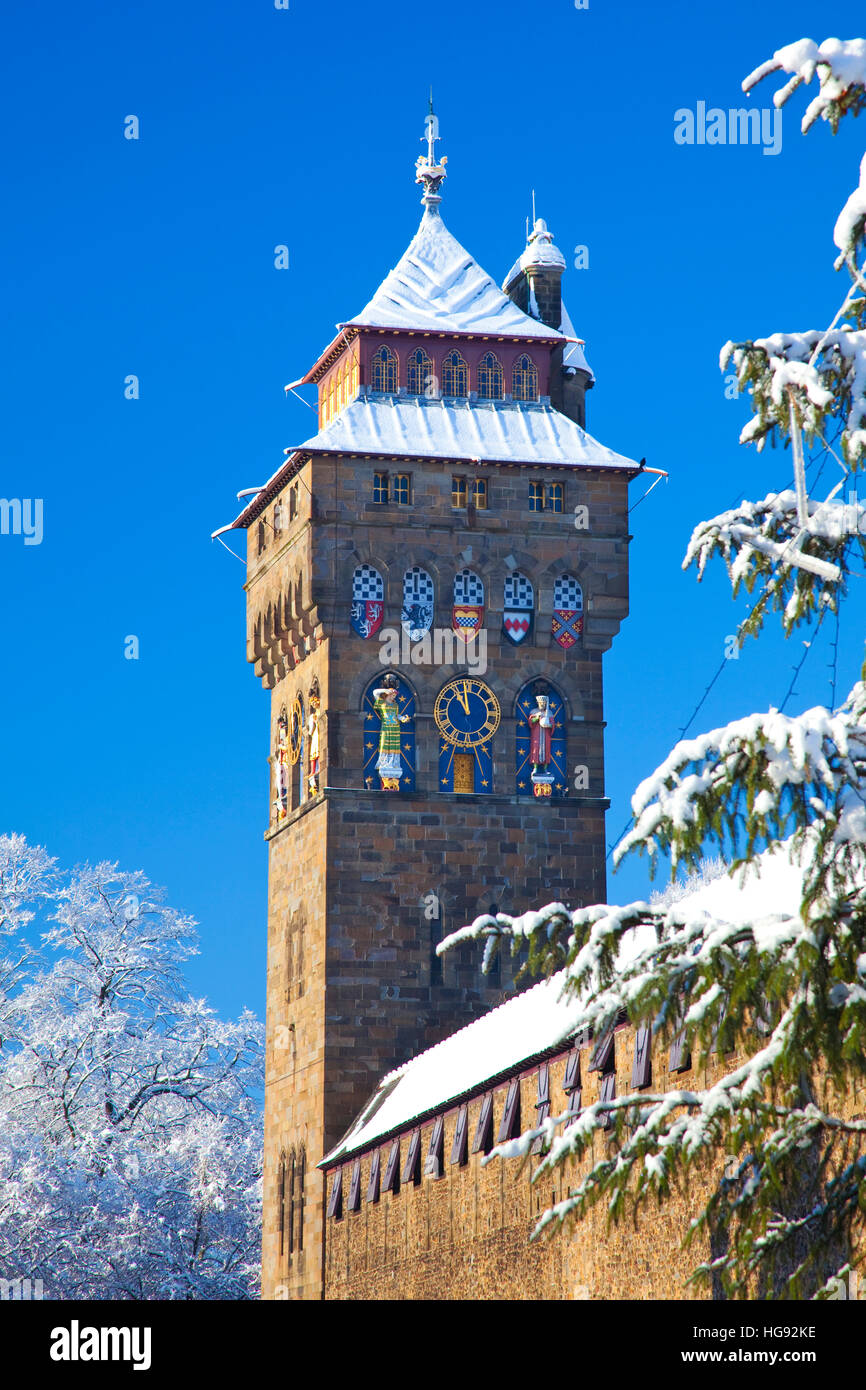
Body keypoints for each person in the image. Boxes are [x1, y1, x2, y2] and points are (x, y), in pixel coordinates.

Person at [372, 675, 410, 790]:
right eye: (392, 695)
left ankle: (393, 763)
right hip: (386, 727)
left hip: (395, 727)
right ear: (388, 695)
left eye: (394, 696)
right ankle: (385, 764)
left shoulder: (395, 705)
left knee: (394, 747)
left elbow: (396, 715)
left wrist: (402, 718)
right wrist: (386, 690)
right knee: (385, 744)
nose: (393, 697)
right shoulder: (381, 703)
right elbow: (375, 692)